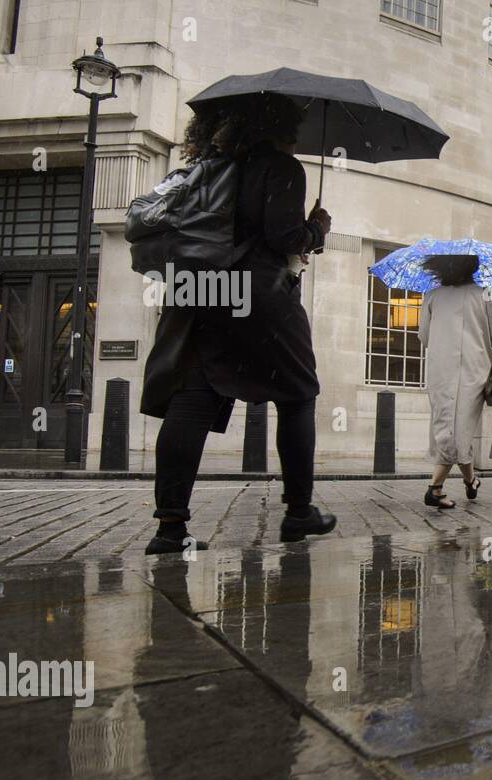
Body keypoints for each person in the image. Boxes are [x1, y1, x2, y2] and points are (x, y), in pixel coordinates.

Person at [140, 94, 336, 555]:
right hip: (259, 292)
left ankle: (170, 528)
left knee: (191, 400)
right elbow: (283, 237)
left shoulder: (201, 170)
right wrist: (317, 230)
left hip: (194, 289)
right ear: (281, 125)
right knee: (297, 394)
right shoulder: (280, 168)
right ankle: (298, 511)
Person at [419, 255, 492, 508]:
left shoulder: (433, 296)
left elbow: (424, 336)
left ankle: (455, 484)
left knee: (451, 429)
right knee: (459, 431)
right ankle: (440, 488)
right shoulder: (489, 295)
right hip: (474, 371)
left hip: (440, 370)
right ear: (474, 268)